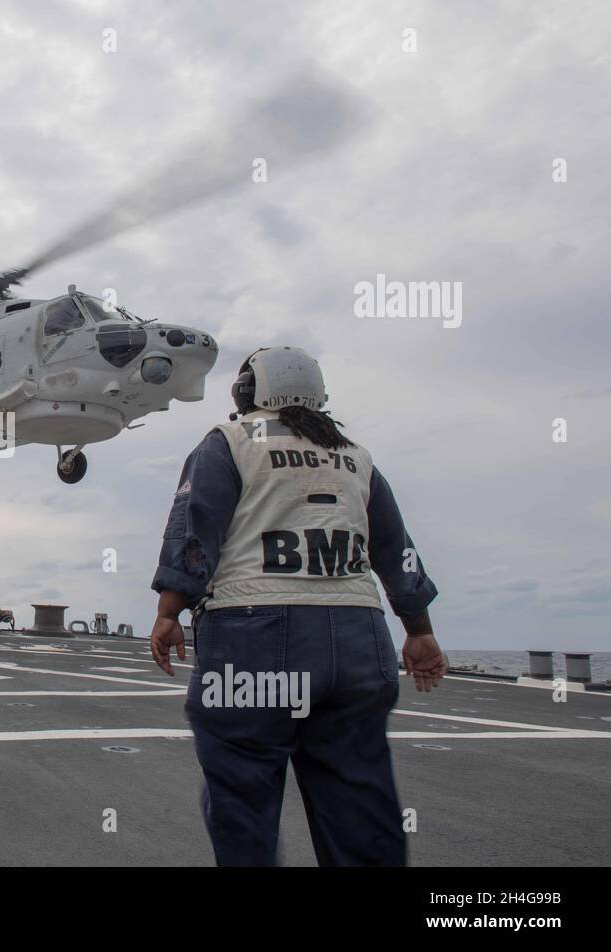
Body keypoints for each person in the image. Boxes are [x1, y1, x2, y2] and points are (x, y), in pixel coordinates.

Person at [148, 346, 447, 867]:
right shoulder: (357, 456)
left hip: (253, 638)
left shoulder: (231, 443)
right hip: (358, 641)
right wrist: (419, 630)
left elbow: (194, 533)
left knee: (243, 793)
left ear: (246, 391)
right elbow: (397, 550)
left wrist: (170, 612)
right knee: (360, 803)